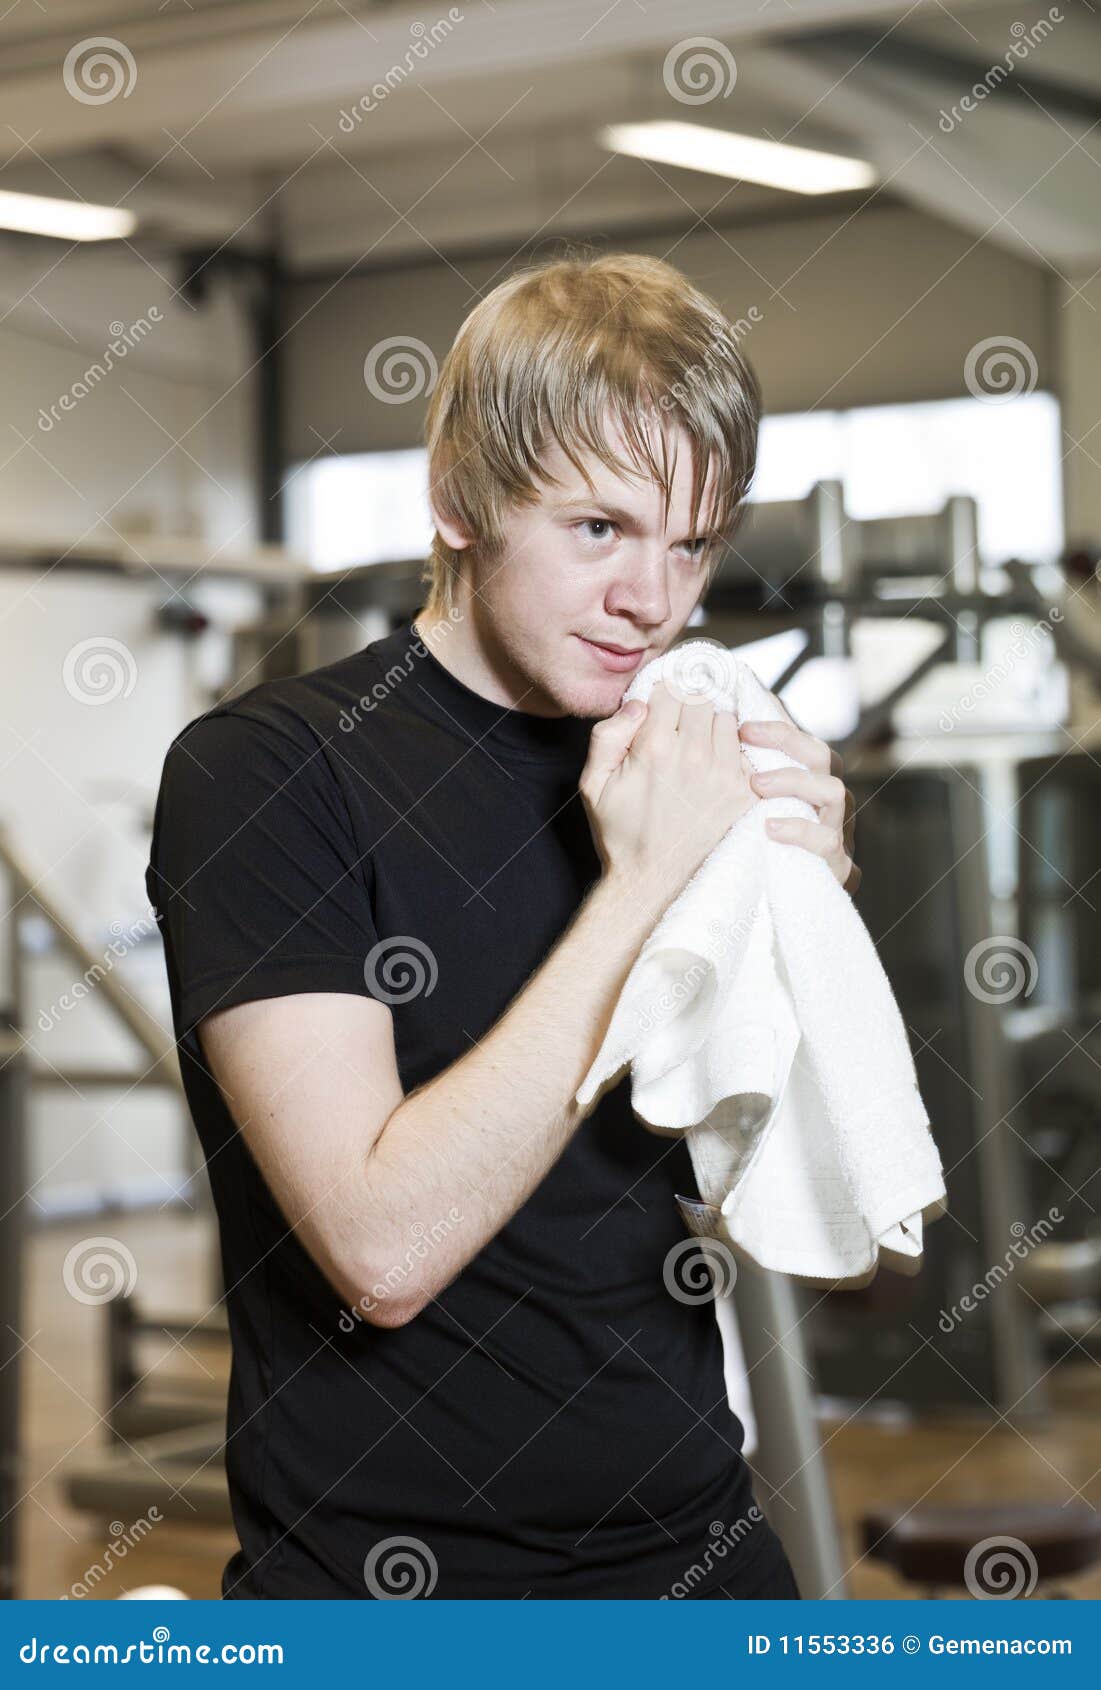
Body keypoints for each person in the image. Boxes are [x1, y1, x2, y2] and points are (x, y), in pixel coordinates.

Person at [146, 251, 858, 1600]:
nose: (654, 597)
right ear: (459, 492)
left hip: (702, 1553)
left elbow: (797, 1197)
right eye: (599, 528)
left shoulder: (675, 760)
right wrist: (641, 892)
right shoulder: (268, 772)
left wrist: (800, 919)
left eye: (691, 541)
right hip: (396, 1593)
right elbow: (379, 1249)